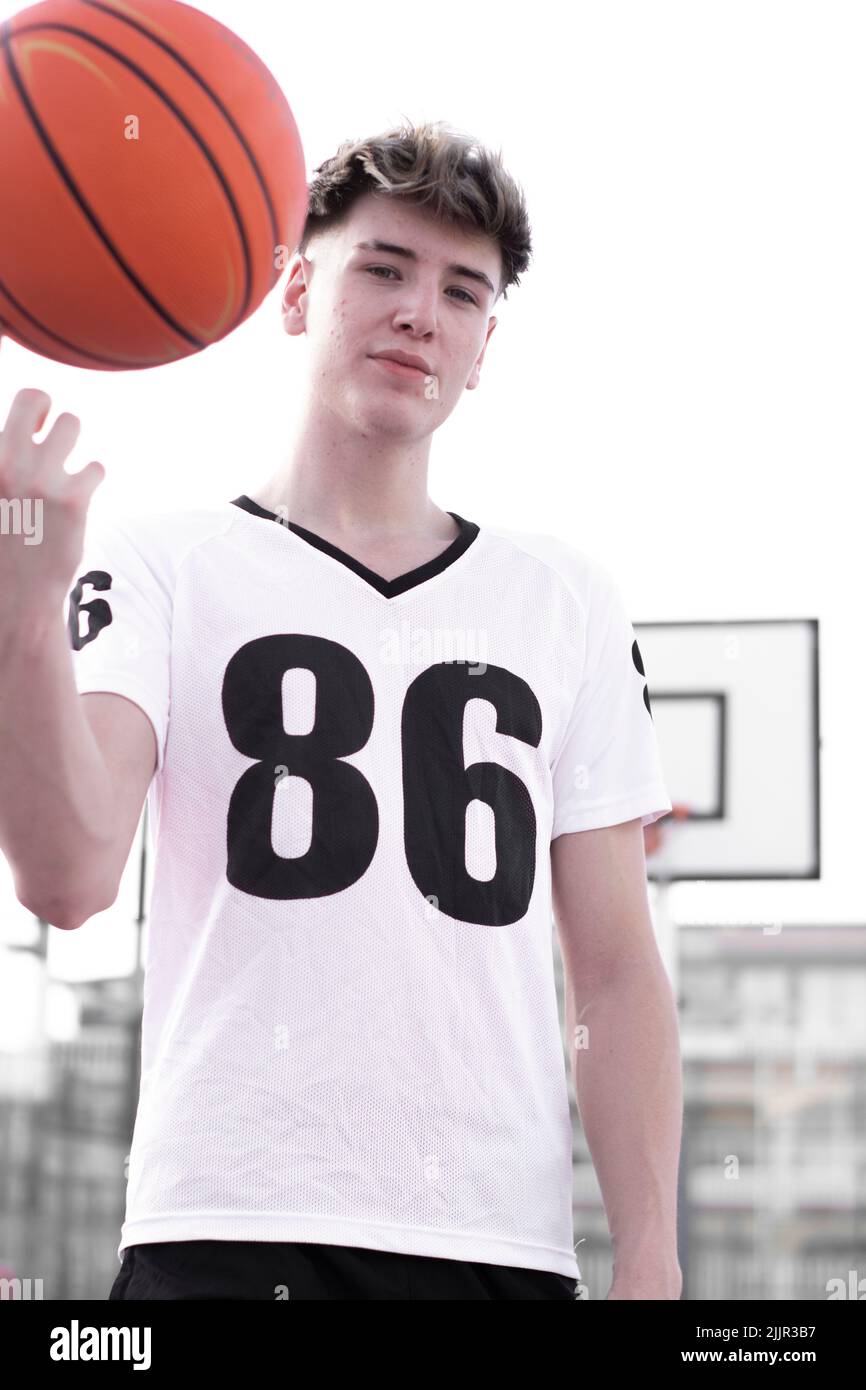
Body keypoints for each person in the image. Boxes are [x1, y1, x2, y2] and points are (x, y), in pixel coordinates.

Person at [0, 119, 682, 1300]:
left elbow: (614, 971)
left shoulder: (562, 597)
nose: (421, 311)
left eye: (461, 291)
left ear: (483, 349)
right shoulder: (163, 563)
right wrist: (21, 608)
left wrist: (651, 1259)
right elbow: (68, 877)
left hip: (492, 1245)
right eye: (384, 268)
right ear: (297, 295)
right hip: (222, 1221)